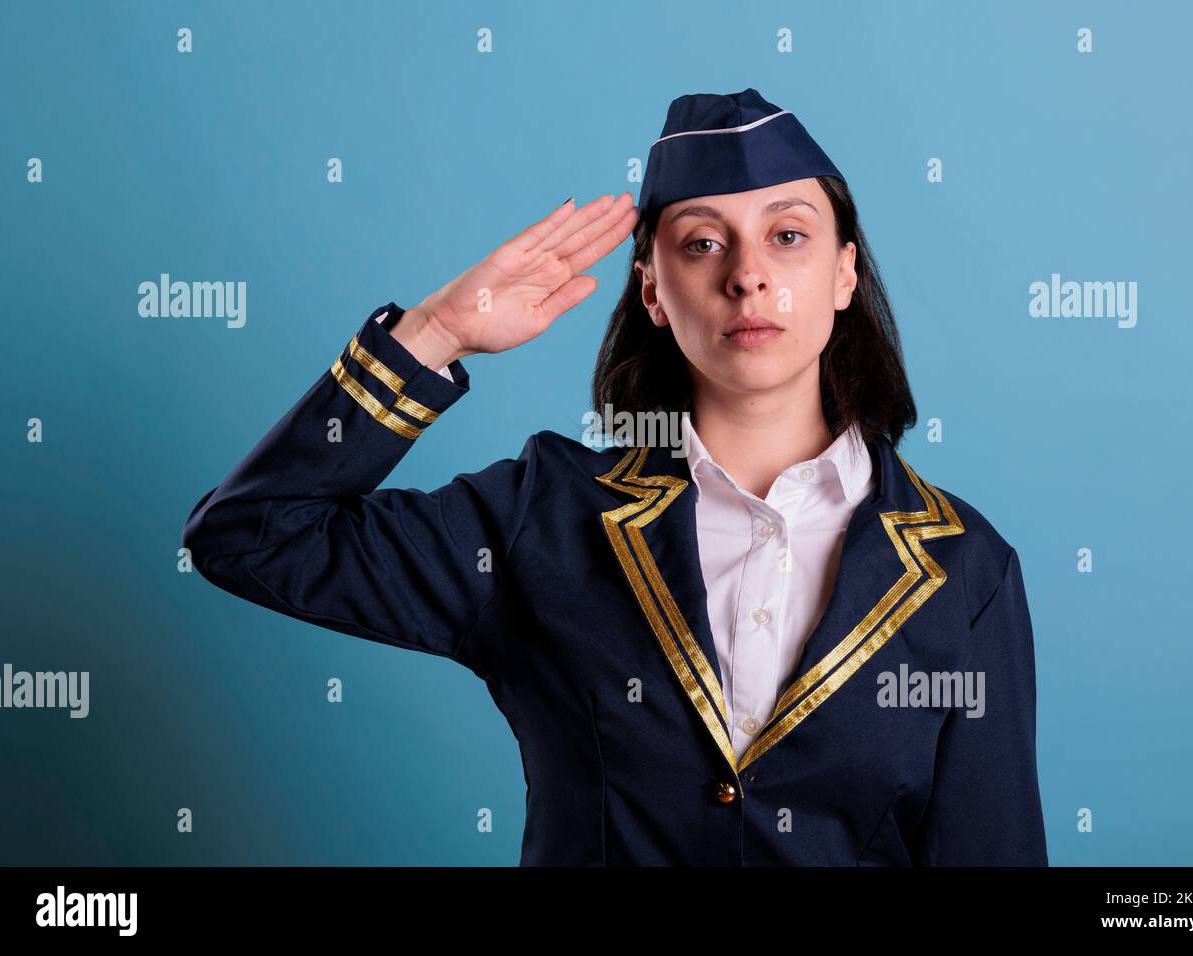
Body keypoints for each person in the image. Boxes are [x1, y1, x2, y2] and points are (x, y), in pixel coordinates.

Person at [182, 88, 1049, 866]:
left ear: (844, 274)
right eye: (703, 243)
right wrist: (437, 332)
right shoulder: (543, 518)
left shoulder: (963, 570)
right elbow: (250, 535)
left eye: (788, 237)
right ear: (652, 291)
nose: (746, 274)